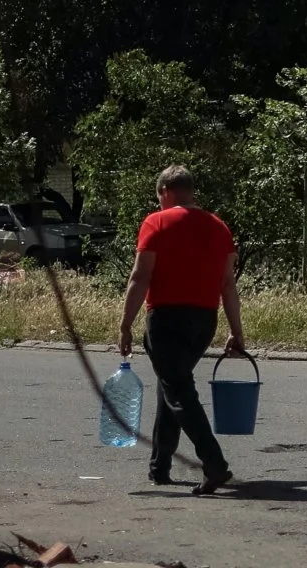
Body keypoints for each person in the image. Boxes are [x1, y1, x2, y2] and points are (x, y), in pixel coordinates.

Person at [118, 165, 244, 493]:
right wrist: (236, 330)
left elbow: (141, 276)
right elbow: (228, 284)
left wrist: (125, 324)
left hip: (166, 319)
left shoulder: (156, 222)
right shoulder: (218, 227)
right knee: (171, 386)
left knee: (180, 392)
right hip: (204, 321)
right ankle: (160, 466)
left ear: (164, 192)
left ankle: (214, 464)